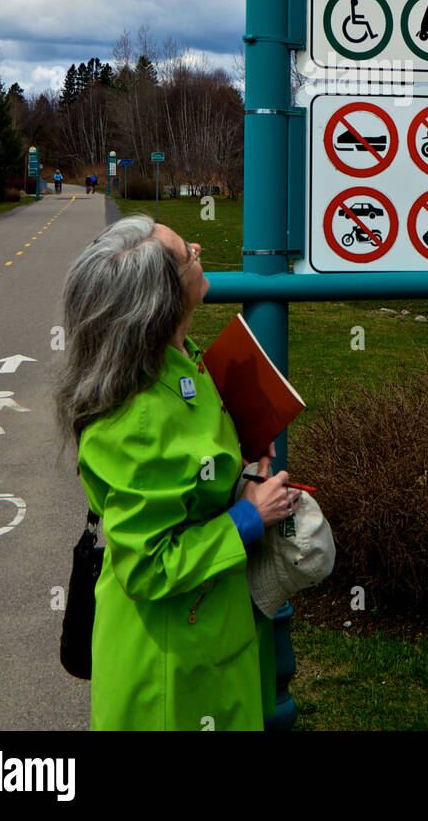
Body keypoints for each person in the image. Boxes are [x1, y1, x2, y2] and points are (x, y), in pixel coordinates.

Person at [53, 214, 295, 730]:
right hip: (169, 666)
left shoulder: (178, 359)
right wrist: (250, 517)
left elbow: (192, 466)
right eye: (189, 252)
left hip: (208, 633)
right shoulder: (134, 423)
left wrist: (243, 453)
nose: (200, 247)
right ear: (161, 300)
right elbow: (148, 567)